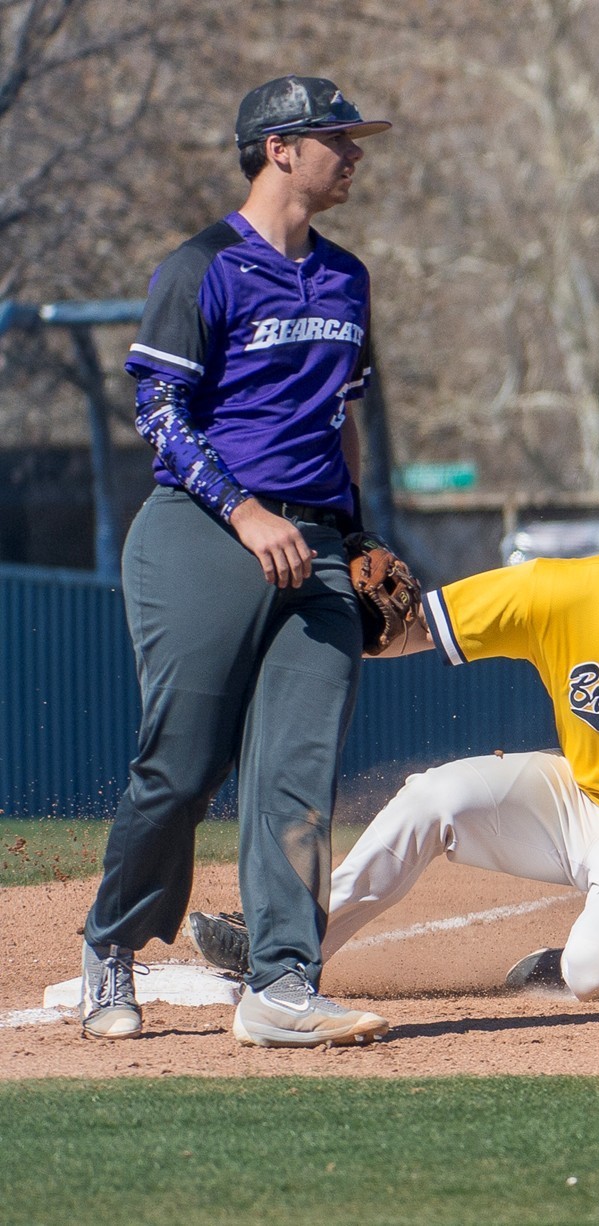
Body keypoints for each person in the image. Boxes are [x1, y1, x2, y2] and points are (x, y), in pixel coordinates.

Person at [190, 445, 599, 1004]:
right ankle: (287, 947)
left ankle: (581, 961)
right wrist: (335, 624)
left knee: (594, 975)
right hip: (578, 799)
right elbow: (417, 628)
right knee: (434, 797)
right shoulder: (557, 591)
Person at [79, 75, 401, 1048]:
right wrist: (245, 509)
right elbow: (161, 420)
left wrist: (360, 530)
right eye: (335, 138)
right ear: (278, 149)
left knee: (297, 770)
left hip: (318, 542)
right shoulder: (202, 266)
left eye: (354, 138)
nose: (354, 154)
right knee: (182, 767)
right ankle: (112, 941)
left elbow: (342, 420)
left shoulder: (348, 275)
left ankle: (281, 981)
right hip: (202, 527)